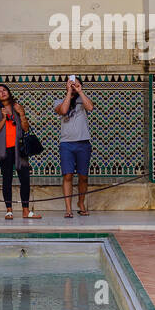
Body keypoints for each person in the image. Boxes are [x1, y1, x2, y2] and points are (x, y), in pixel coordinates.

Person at [0, 83, 40, 220]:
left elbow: (25, 128)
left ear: (8, 92)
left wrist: (22, 114)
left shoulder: (17, 107)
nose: (2, 93)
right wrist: (4, 119)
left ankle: (26, 211)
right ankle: (9, 210)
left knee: (25, 179)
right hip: (4, 150)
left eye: (4, 90)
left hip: (20, 149)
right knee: (7, 179)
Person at [54, 76, 94, 218]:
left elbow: (90, 107)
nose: (74, 86)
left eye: (76, 84)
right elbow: (64, 110)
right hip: (67, 144)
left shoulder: (83, 100)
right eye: (71, 84)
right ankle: (68, 208)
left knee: (83, 177)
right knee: (68, 175)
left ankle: (81, 203)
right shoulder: (59, 101)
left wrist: (80, 92)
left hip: (83, 143)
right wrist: (69, 93)